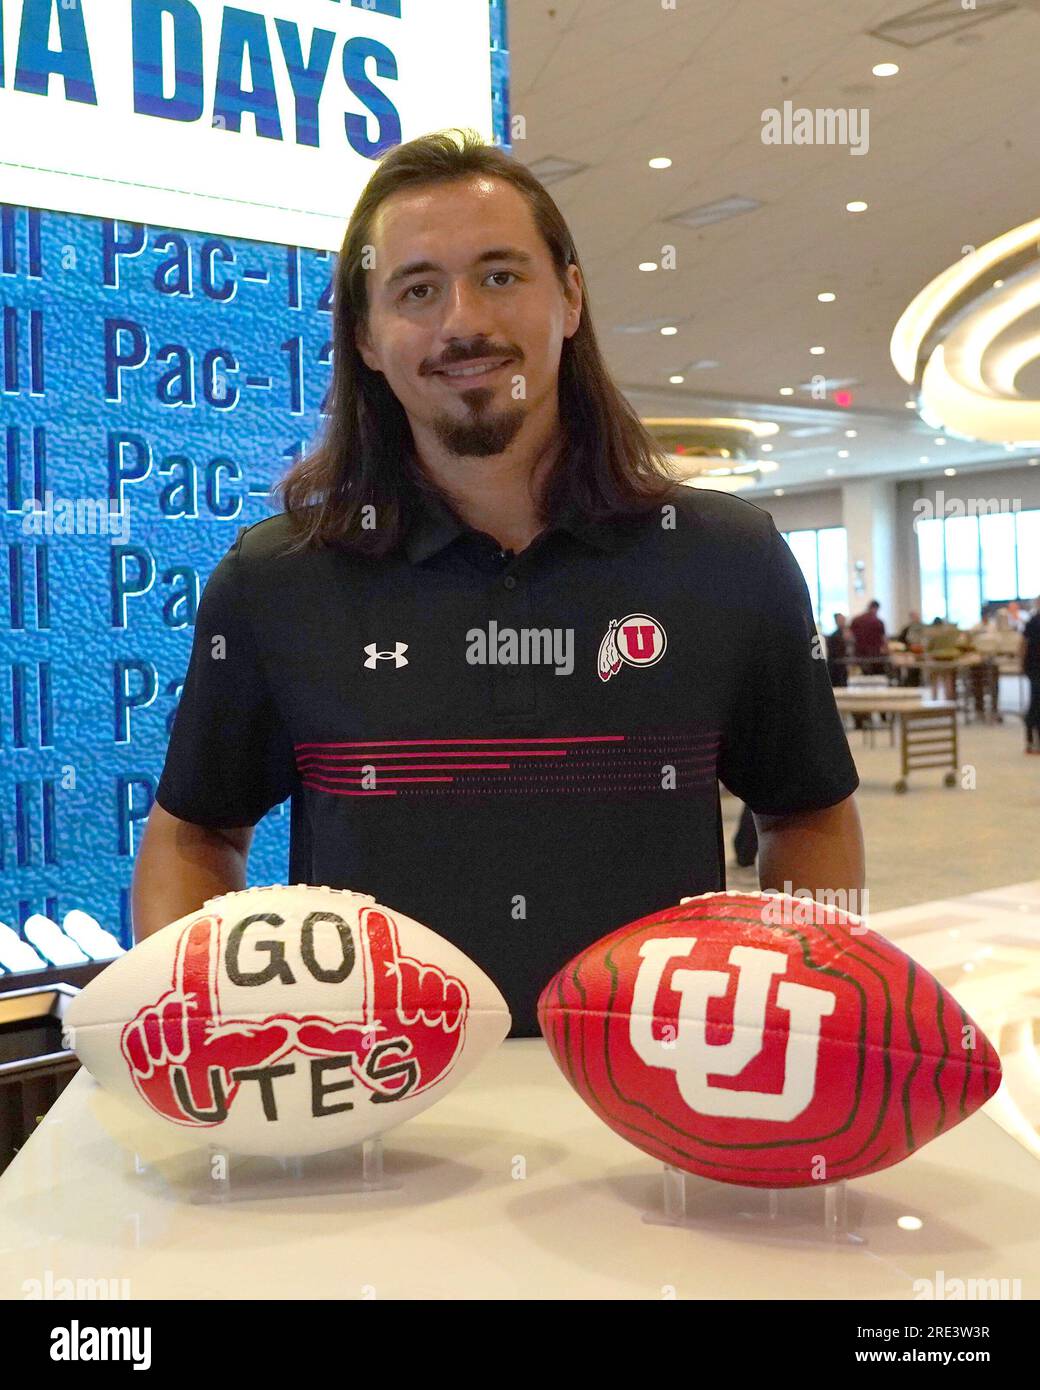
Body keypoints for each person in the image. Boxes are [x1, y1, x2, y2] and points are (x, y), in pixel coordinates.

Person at [132, 129, 864, 1037]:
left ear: (570, 297)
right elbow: (195, 832)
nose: (461, 323)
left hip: (652, 1117)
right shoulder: (275, 581)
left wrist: (806, 1016)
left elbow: (806, 811)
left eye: (501, 275)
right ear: (364, 337)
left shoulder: (726, 557)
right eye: (417, 290)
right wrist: (203, 1030)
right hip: (373, 1117)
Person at [850, 599, 889, 679]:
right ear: (876, 608)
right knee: (876, 677)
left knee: (864, 676)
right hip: (875, 653)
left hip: (860, 652)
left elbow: (850, 636)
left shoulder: (856, 620)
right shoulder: (878, 622)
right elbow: (884, 638)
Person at [1023, 597, 1040, 754]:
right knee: (1035, 703)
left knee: (1035, 702)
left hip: (1032, 666)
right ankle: (1030, 740)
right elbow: (1024, 645)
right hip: (1035, 666)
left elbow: (1023, 645)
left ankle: (1032, 740)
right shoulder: (1033, 622)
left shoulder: (1032, 622)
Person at [825, 612, 849, 688]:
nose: (843, 621)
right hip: (836, 666)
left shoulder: (844, 633)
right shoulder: (835, 636)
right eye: (841, 620)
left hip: (841, 665)